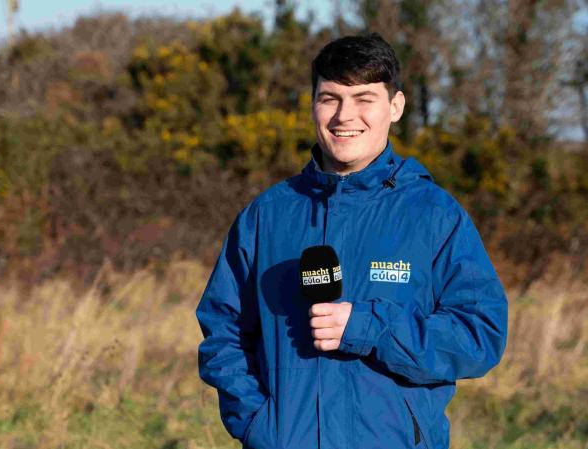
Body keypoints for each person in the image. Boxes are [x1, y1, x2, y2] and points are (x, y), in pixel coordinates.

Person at [195, 32, 508, 449]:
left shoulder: (434, 215)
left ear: (394, 106)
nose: (345, 116)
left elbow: (480, 336)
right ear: (312, 105)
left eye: (364, 99)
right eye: (330, 98)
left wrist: (368, 326)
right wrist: (256, 423)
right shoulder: (266, 215)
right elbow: (223, 332)